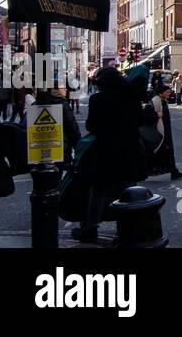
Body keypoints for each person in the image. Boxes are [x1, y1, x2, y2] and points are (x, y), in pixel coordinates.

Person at [74, 66, 148, 243]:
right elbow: (140, 121)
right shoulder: (131, 97)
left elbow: (92, 126)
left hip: (105, 150)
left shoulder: (98, 99)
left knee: (98, 189)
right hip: (130, 149)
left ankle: (90, 228)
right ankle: (128, 230)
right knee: (129, 190)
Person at [145, 81, 182, 180]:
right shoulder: (155, 101)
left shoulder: (163, 101)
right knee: (155, 153)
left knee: (168, 152)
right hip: (159, 133)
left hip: (165, 131)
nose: (169, 94)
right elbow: (145, 116)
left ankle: (174, 172)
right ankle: (144, 172)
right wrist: (156, 115)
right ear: (161, 93)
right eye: (167, 92)